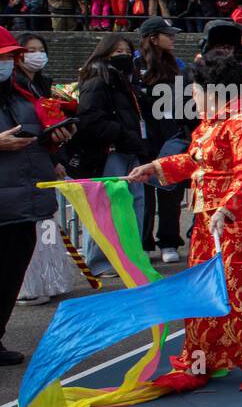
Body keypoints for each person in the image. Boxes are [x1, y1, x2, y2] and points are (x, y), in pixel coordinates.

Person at [126, 53, 242, 392]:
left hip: (239, 223)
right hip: (206, 219)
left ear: (215, 91)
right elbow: (194, 161)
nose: (191, 98)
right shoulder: (209, 125)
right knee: (203, 290)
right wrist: (155, 167)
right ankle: (205, 360)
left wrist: (228, 207)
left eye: (195, 92)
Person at [0, 27, 76, 361]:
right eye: (2, 57)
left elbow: (38, 135)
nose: (7, 62)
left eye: (8, 56)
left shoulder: (22, 92)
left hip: (25, 199)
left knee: (11, 274)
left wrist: (56, 137)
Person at [68, 34, 147, 277]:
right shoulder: (97, 79)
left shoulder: (125, 80)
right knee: (107, 206)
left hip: (129, 149)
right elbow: (90, 119)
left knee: (134, 203)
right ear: (104, 53)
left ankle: (130, 256)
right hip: (110, 152)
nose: (123, 55)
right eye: (117, 51)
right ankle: (100, 261)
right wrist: (121, 134)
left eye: (126, 50)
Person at [134, 17, 186, 265]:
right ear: (153, 37)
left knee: (170, 191)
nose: (172, 39)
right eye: (168, 34)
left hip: (171, 137)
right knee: (143, 195)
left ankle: (169, 240)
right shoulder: (134, 64)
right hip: (143, 138)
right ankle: (143, 243)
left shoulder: (178, 66)